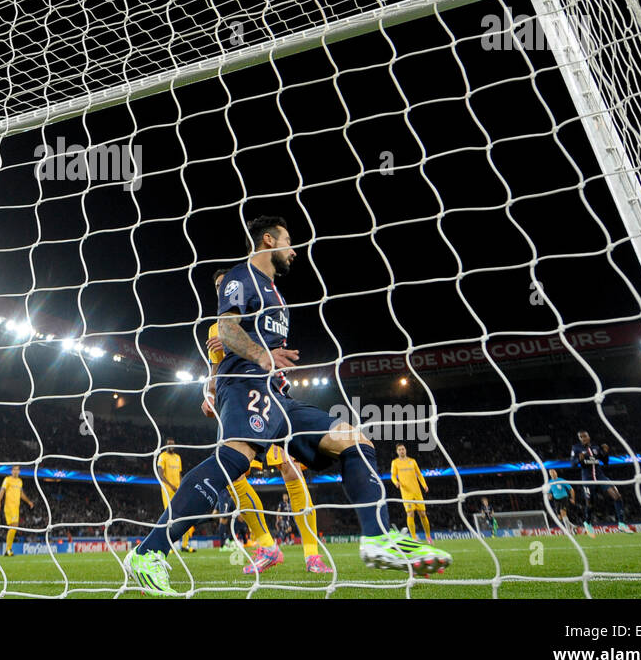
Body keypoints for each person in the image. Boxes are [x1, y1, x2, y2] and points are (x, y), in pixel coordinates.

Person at [126, 215, 450, 596]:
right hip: (246, 382)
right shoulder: (239, 276)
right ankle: (149, 553)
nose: (295, 251)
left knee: (355, 440)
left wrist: (269, 363)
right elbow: (227, 329)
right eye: (289, 241)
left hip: (278, 396)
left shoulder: (276, 295)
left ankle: (378, 539)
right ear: (268, 240)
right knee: (236, 459)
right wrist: (259, 358)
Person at [203, 268, 330, 575]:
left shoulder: (259, 309)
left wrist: (237, 340)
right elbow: (215, 370)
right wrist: (208, 392)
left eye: (228, 284)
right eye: (220, 287)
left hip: (269, 391)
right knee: (231, 472)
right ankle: (266, 545)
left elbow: (272, 348)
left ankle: (312, 554)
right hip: (237, 399)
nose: (226, 290)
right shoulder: (214, 329)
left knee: (289, 468)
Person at [571, 431, 627, 531]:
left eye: (585, 436)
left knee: (617, 496)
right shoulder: (576, 448)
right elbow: (572, 464)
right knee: (590, 503)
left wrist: (605, 452)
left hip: (600, 477)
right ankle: (587, 523)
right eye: (581, 437)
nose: (583, 438)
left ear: (588, 437)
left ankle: (621, 524)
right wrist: (579, 460)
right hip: (587, 479)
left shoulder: (596, 447)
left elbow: (605, 462)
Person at [156, 439, 195, 553]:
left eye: (173, 444)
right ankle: (168, 545)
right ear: (166, 445)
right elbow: (160, 474)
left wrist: (183, 485)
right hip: (168, 491)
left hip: (178, 490)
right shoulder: (162, 456)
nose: (171, 446)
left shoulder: (178, 457)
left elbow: (179, 474)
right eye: (169, 444)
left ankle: (185, 545)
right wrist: (171, 486)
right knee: (170, 518)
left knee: (185, 514)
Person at [391, 444, 432, 542]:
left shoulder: (412, 461)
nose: (402, 451)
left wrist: (424, 485)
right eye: (399, 449)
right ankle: (414, 537)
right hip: (406, 493)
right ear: (397, 451)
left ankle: (428, 536)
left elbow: (419, 474)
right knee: (410, 514)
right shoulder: (395, 462)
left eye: (403, 449)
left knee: (422, 513)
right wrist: (396, 482)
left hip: (417, 492)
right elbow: (393, 476)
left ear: (406, 450)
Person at [0, 465, 35, 556]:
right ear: (11, 471)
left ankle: (8, 549)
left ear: (19, 471)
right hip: (9, 506)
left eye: (17, 470)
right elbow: (2, 491)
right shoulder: (7, 479)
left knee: (14, 528)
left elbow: (21, 494)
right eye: (14, 470)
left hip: (16, 507)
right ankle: (8, 549)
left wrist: (29, 502)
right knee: (14, 526)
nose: (15, 471)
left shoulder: (19, 482)